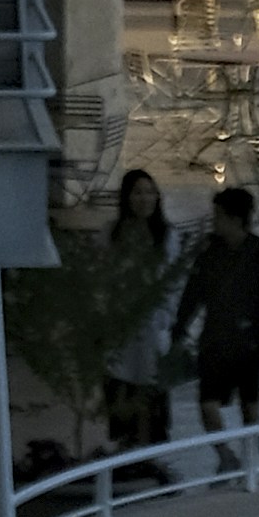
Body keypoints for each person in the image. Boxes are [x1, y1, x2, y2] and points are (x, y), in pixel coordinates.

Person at [167, 179, 259, 464]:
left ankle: (249, 461)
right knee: (208, 402)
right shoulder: (211, 254)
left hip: (248, 342)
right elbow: (193, 294)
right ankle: (226, 456)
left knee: (250, 405)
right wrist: (180, 328)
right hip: (215, 339)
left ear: (234, 219)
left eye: (218, 217)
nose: (214, 222)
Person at [98, 165, 175, 488]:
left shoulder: (167, 236)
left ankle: (147, 447)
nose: (144, 199)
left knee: (149, 387)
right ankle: (127, 444)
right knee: (121, 383)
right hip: (120, 323)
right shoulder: (111, 233)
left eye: (149, 192)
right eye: (138, 192)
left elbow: (172, 280)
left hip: (153, 322)